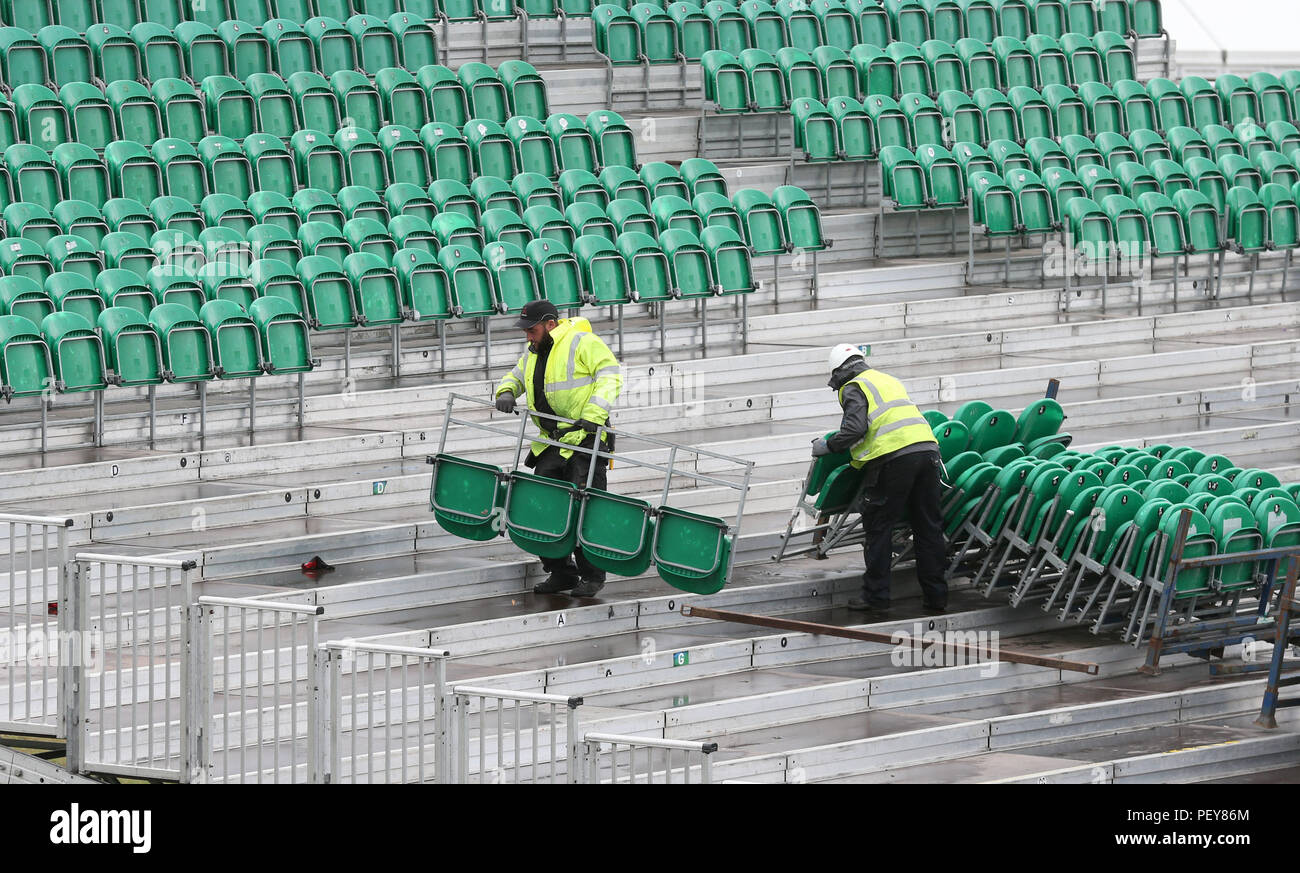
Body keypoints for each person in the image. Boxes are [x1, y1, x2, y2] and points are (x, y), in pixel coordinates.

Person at [494, 299, 624, 597]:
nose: (528, 335)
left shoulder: (582, 341)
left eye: (532, 329)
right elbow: (517, 375)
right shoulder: (534, 351)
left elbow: (611, 375)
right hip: (552, 441)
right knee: (543, 509)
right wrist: (505, 391)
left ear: (550, 324)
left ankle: (592, 577)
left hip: (585, 440)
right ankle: (561, 572)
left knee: (584, 510)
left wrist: (592, 414)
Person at [813, 344, 949, 615]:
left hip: (893, 458)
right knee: (928, 527)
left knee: (878, 527)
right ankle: (936, 597)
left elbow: (855, 428)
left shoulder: (852, 386)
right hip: (928, 451)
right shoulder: (887, 379)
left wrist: (829, 445)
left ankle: (876, 598)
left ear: (838, 370)